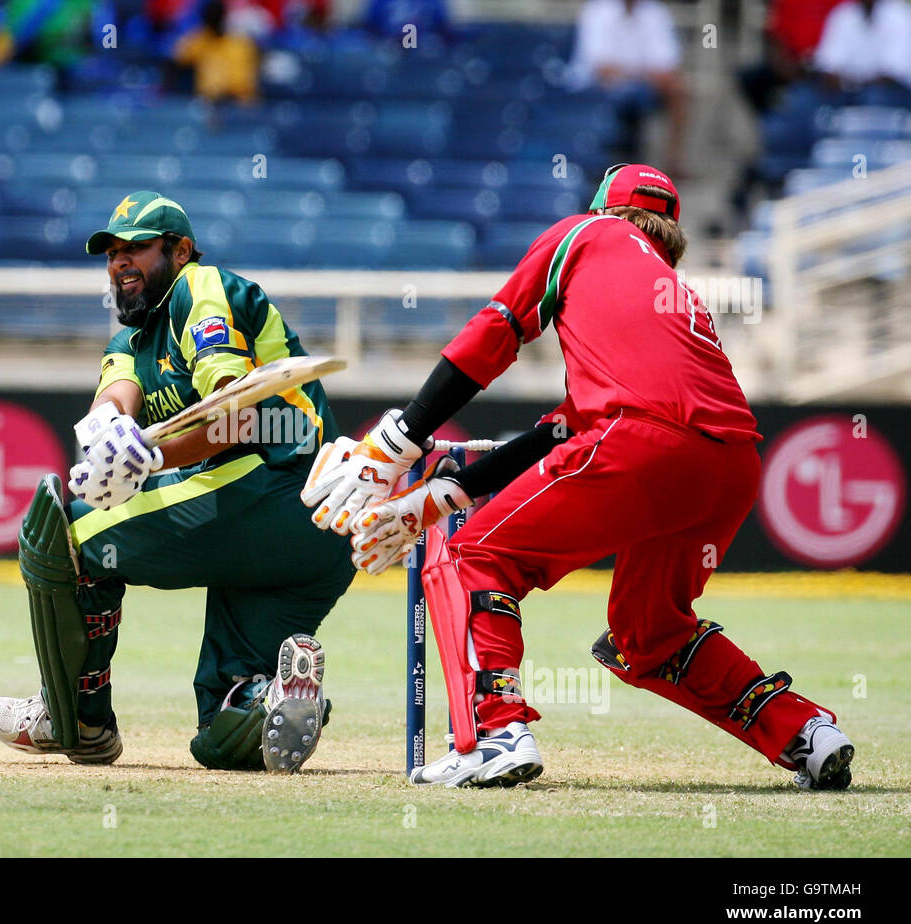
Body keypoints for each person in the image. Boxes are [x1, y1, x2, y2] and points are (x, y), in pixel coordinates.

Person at [301, 164, 856, 791]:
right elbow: (564, 429)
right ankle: (803, 731)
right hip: (729, 465)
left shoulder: (585, 235)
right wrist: (448, 491)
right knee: (649, 633)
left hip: (643, 441)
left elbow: (498, 330)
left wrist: (399, 437)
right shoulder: (668, 296)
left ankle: (494, 733)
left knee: (471, 558)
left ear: (603, 208)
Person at [0, 191, 355, 773]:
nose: (120, 262)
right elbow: (115, 398)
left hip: (274, 484)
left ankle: (76, 716)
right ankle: (274, 699)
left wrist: (150, 460)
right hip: (319, 537)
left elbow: (237, 416)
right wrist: (110, 440)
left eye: (137, 249)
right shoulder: (130, 336)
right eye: (110, 252)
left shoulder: (198, 290)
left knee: (63, 534)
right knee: (221, 737)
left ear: (179, 251)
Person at [566, 0, 688, 176]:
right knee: (620, 92)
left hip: (640, 86)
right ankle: (607, 164)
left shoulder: (656, 12)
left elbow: (666, 67)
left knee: (679, 88)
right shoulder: (597, 10)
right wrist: (644, 74)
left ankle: (672, 162)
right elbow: (602, 69)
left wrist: (635, 75)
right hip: (593, 88)